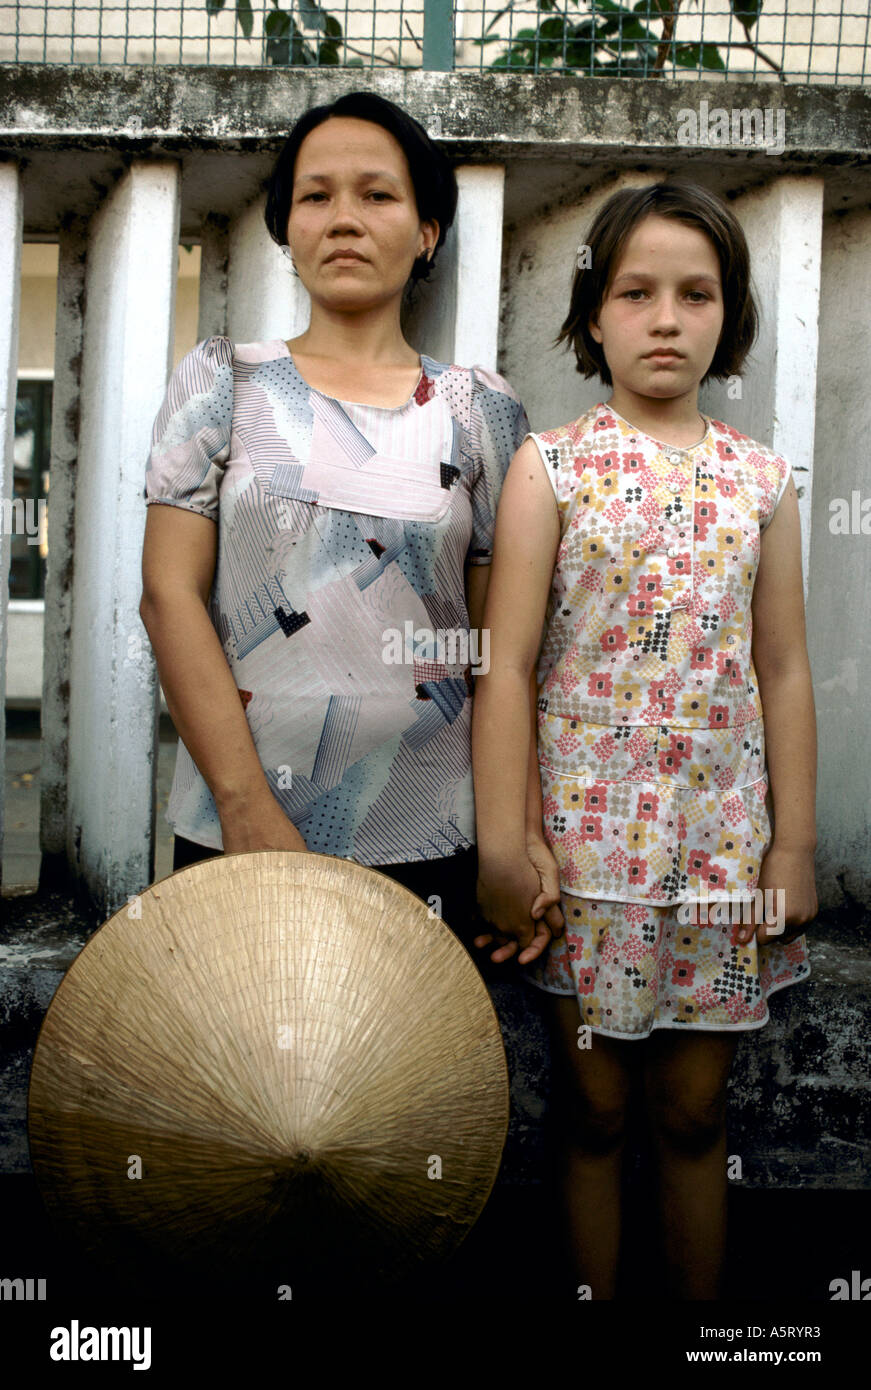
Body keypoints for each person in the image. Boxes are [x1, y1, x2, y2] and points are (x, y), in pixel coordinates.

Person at [471, 181, 816, 1298]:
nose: (665, 317)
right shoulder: (551, 467)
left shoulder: (761, 481)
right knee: (595, 1106)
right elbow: (507, 665)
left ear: (730, 316)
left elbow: (782, 669)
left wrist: (793, 849)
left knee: (689, 1107)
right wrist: (504, 844)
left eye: (695, 293)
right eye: (636, 292)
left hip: (719, 854)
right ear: (594, 314)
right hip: (584, 855)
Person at [139, 91, 530, 966]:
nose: (343, 219)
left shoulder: (480, 409)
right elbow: (168, 598)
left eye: (377, 195)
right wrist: (247, 809)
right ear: (286, 230)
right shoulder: (222, 381)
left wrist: (512, 838)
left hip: (427, 833)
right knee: (238, 1089)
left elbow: (497, 651)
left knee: (398, 1093)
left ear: (428, 232)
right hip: (234, 824)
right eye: (315, 197)